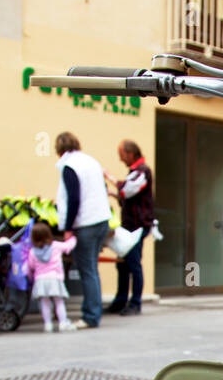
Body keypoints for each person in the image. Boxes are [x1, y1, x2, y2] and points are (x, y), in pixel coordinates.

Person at [54, 132, 112, 328]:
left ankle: (91, 316)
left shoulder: (70, 166)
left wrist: (68, 228)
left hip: (86, 222)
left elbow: (74, 198)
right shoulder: (91, 161)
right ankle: (93, 311)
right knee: (92, 269)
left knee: (87, 269)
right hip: (101, 219)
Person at [105, 141, 154, 315]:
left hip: (138, 226)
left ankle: (135, 303)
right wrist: (114, 194)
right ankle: (120, 301)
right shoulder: (136, 172)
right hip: (128, 226)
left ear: (130, 153)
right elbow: (127, 196)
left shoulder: (142, 171)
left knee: (133, 263)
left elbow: (127, 190)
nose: (120, 158)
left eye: (122, 155)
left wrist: (110, 178)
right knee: (123, 264)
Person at [26, 222, 77, 332]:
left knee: (45, 303)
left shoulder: (33, 252)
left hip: (40, 280)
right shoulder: (55, 246)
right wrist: (73, 237)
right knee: (59, 301)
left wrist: (30, 276)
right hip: (55, 278)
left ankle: (48, 324)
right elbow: (69, 246)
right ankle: (63, 323)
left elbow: (30, 266)